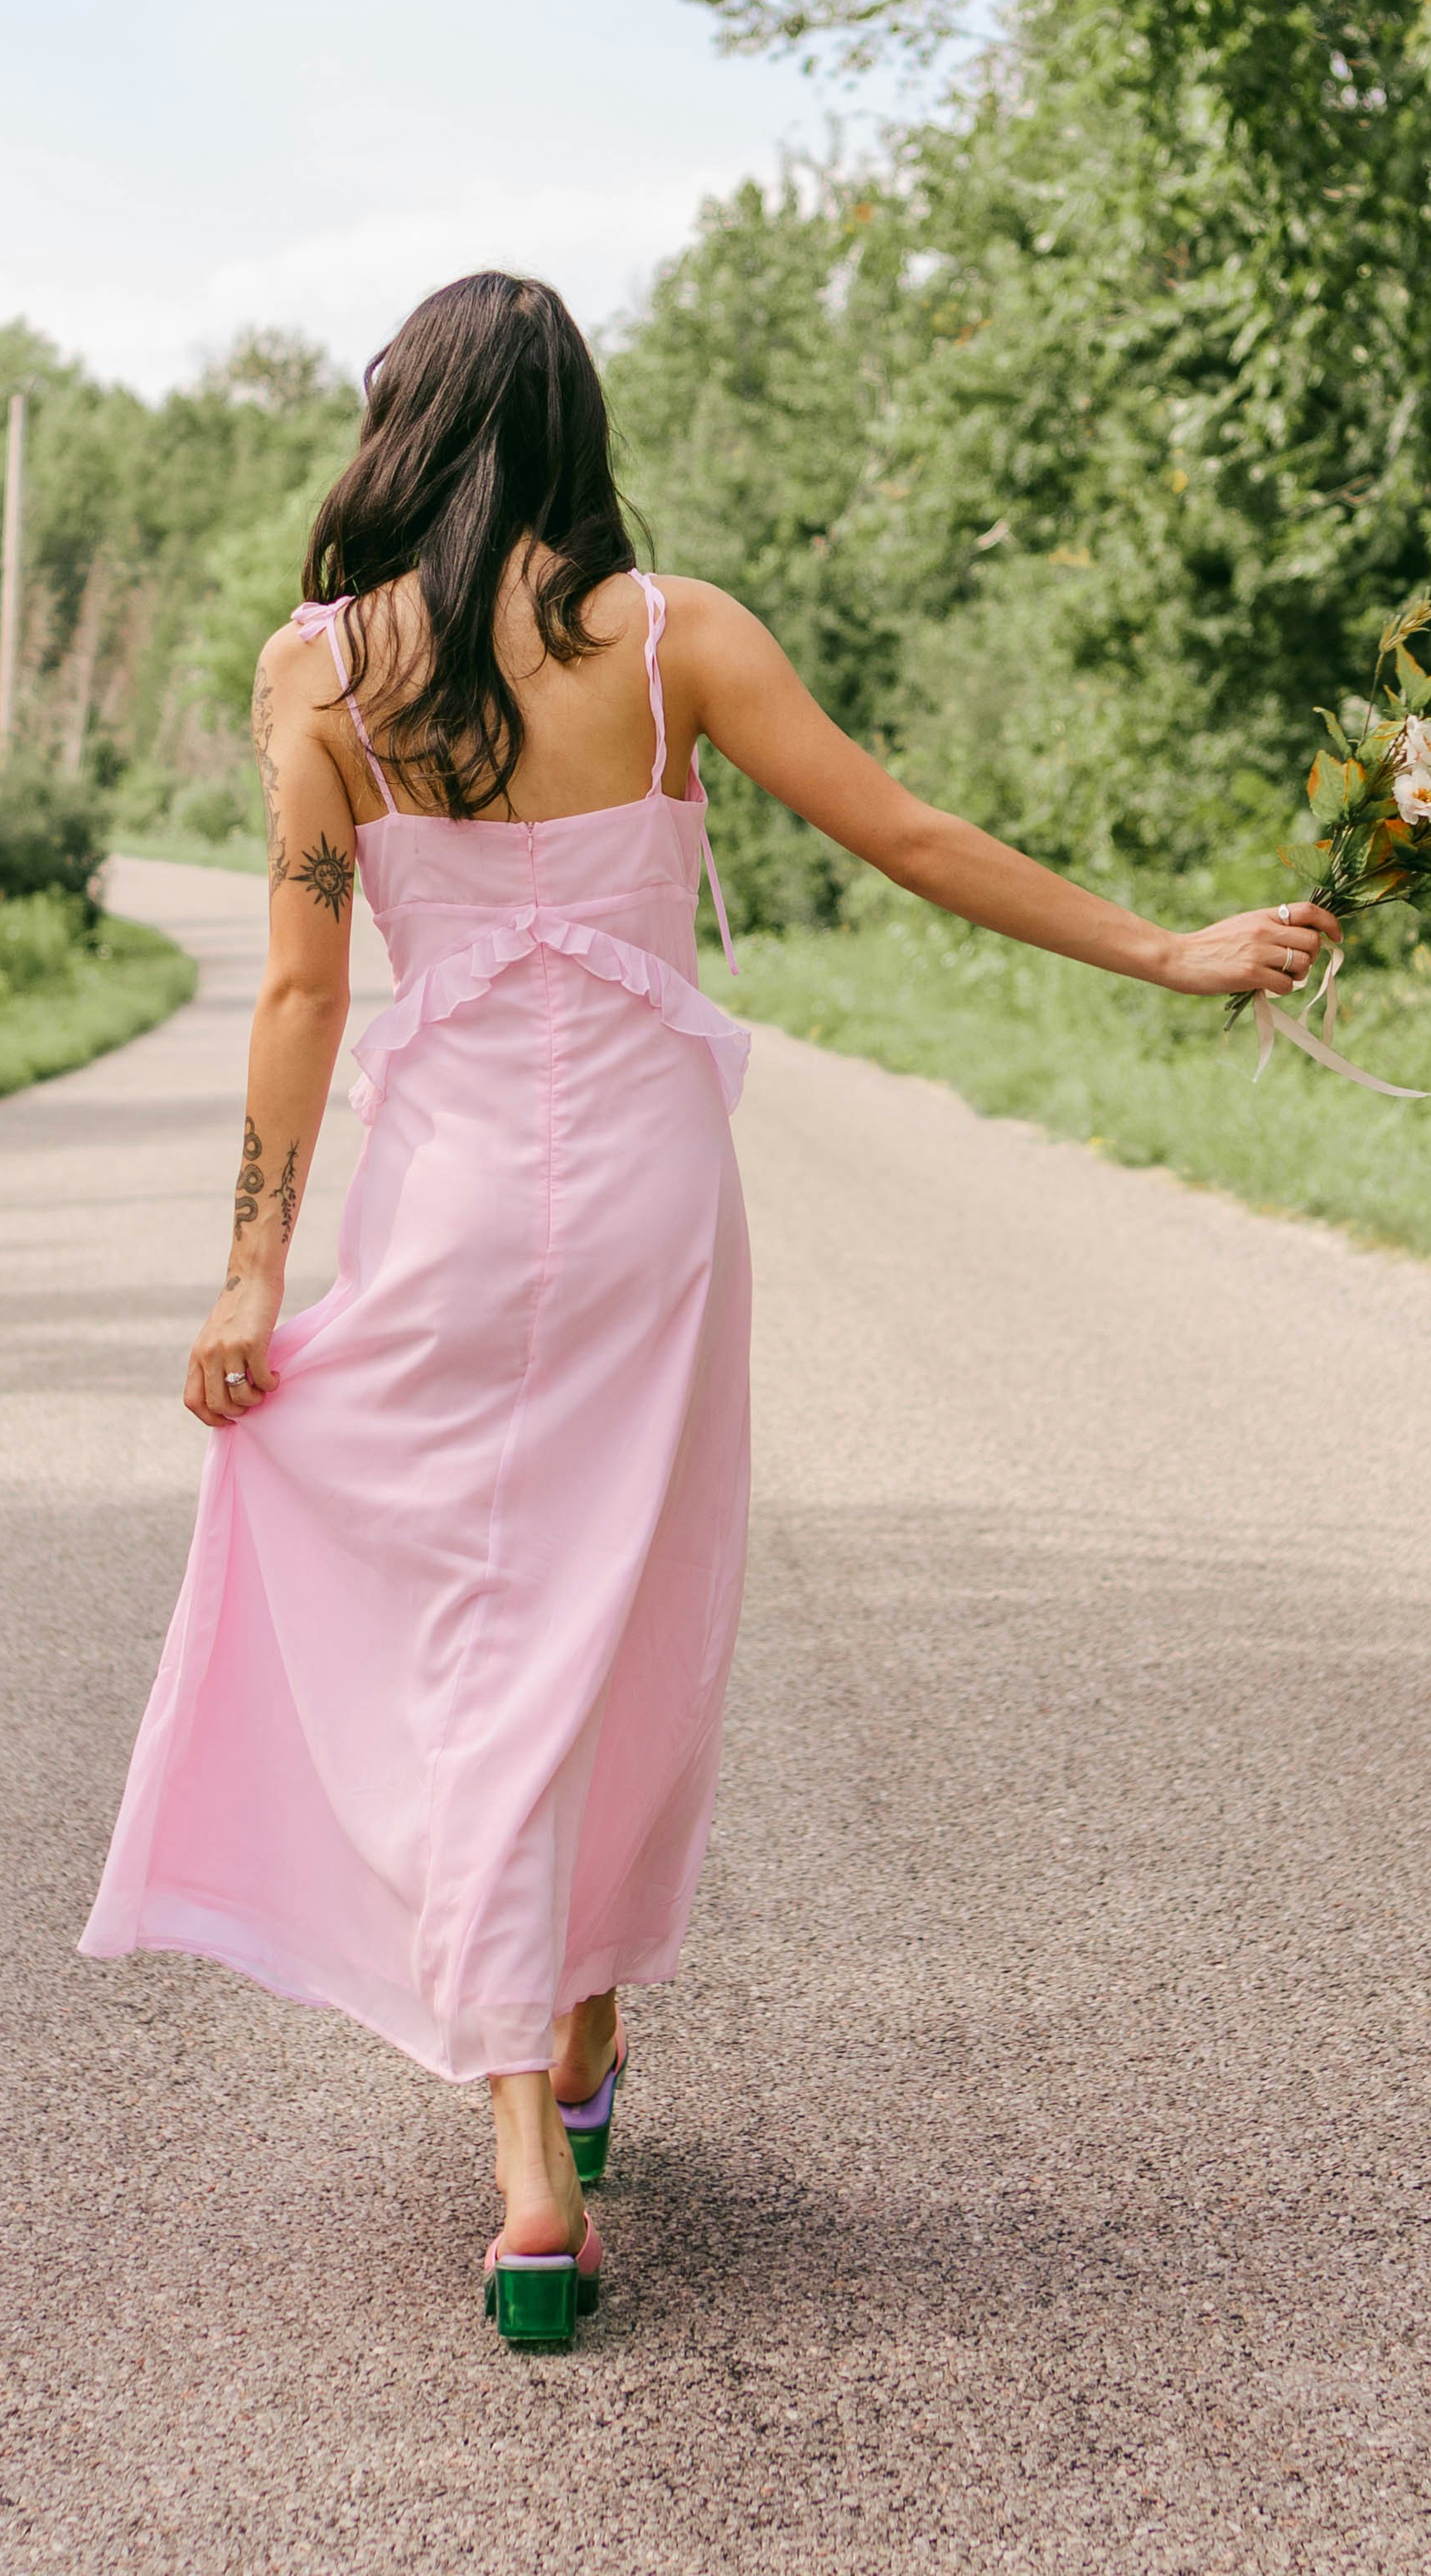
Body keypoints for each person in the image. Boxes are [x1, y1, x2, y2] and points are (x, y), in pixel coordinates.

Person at [79, 272, 1341, 2350]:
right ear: (576, 425)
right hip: (656, 1200)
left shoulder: (321, 668)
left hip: (456, 1201)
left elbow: (302, 986)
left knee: (475, 1631)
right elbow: (907, 835)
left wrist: (247, 1266)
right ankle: (571, 2038)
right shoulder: (673, 638)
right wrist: (1166, 951)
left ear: (399, 420)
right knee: (624, 1615)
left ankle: (528, 2161)